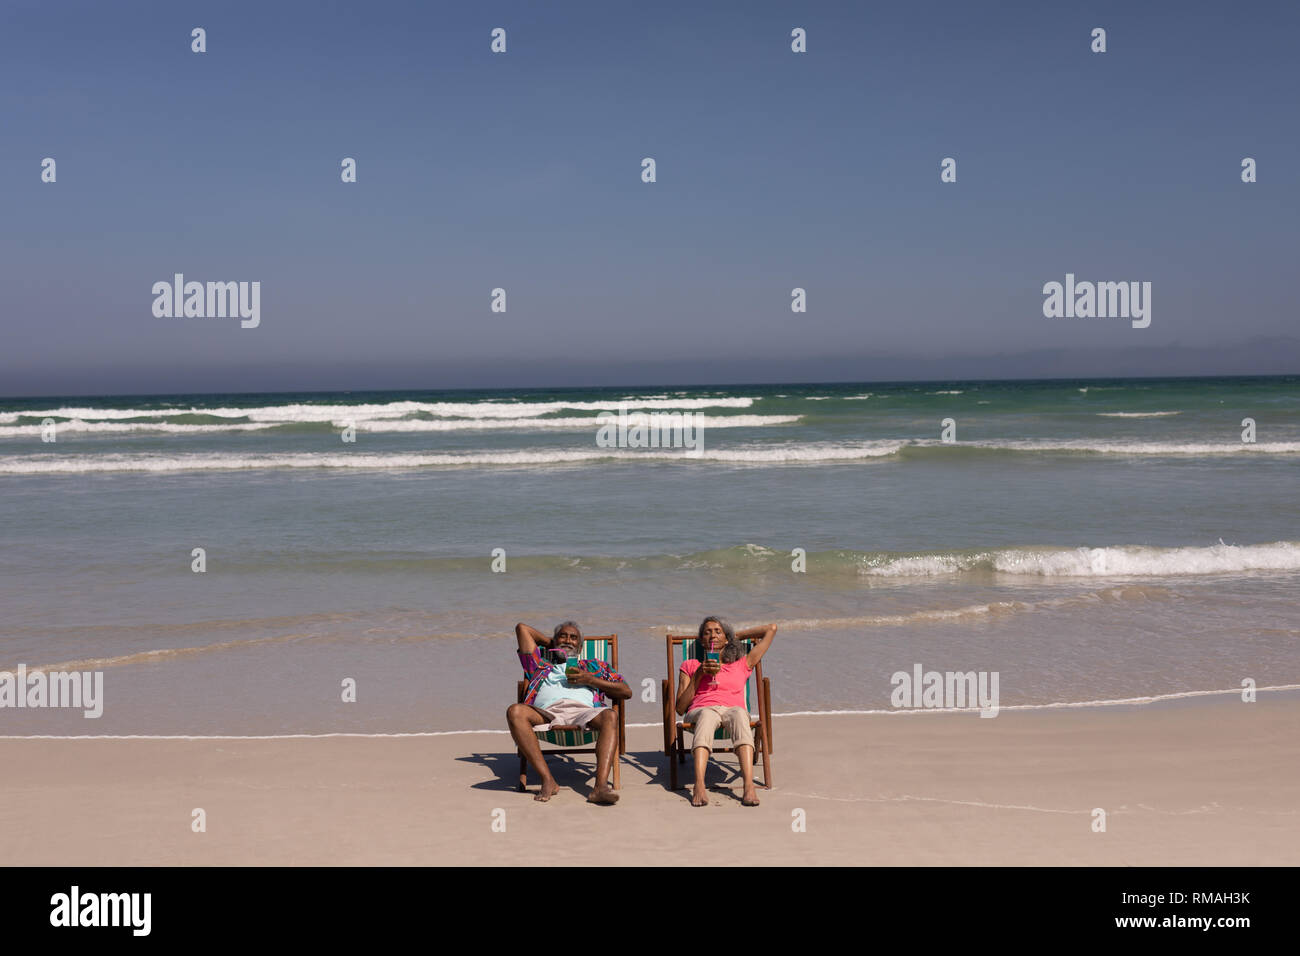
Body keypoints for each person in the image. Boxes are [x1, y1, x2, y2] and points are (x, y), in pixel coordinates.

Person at [507, 621, 631, 804]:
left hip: (584, 712)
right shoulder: (540, 664)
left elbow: (626, 691)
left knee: (610, 715)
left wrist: (590, 679)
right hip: (545, 713)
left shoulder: (594, 666)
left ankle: (600, 787)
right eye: (563, 636)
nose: (568, 640)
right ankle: (548, 780)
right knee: (515, 711)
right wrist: (552, 646)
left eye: (573, 638)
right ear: (554, 641)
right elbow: (521, 628)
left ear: (580, 646)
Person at [675, 616, 777, 807]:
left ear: (726, 638)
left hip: (733, 709)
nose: (712, 635)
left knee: (739, 713)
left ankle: (748, 786)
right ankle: (699, 784)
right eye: (707, 632)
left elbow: (771, 628)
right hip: (701, 709)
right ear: (701, 641)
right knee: (707, 714)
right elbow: (680, 708)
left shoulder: (742, 664)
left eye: (717, 631)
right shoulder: (691, 665)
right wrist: (699, 675)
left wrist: (734, 635)